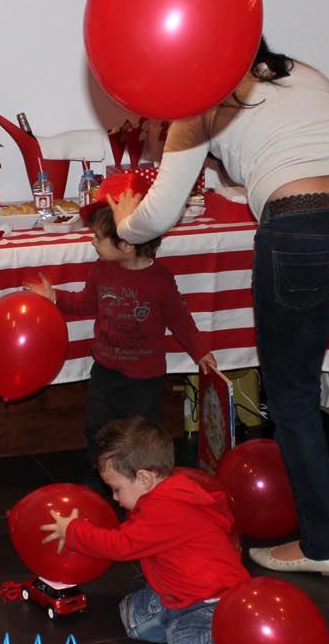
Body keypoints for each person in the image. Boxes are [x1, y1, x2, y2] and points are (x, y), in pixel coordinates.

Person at [109, 39, 329, 575]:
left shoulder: (198, 106)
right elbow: (308, 149)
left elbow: (158, 215)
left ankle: (322, 546)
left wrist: (125, 218)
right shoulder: (307, 72)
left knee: (291, 397)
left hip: (302, 227)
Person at [42, 416, 246, 644]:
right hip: (182, 591)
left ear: (145, 479)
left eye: (116, 489)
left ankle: (232, 629)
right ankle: (181, 618)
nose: (114, 498)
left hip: (213, 599)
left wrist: (73, 531)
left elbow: (119, 545)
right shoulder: (163, 493)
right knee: (131, 619)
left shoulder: (165, 509)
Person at [25, 201, 216, 469]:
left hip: (143, 379)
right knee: (97, 428)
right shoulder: (102, 269)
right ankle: (101, 479)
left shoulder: (159, 280)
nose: (93, 242)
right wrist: (54, 296)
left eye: (99, 238)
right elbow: (85, 303)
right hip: (104, 370)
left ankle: (146, 482)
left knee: (142, 436)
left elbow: (180, 320)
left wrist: (200, 352)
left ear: (126, 245)